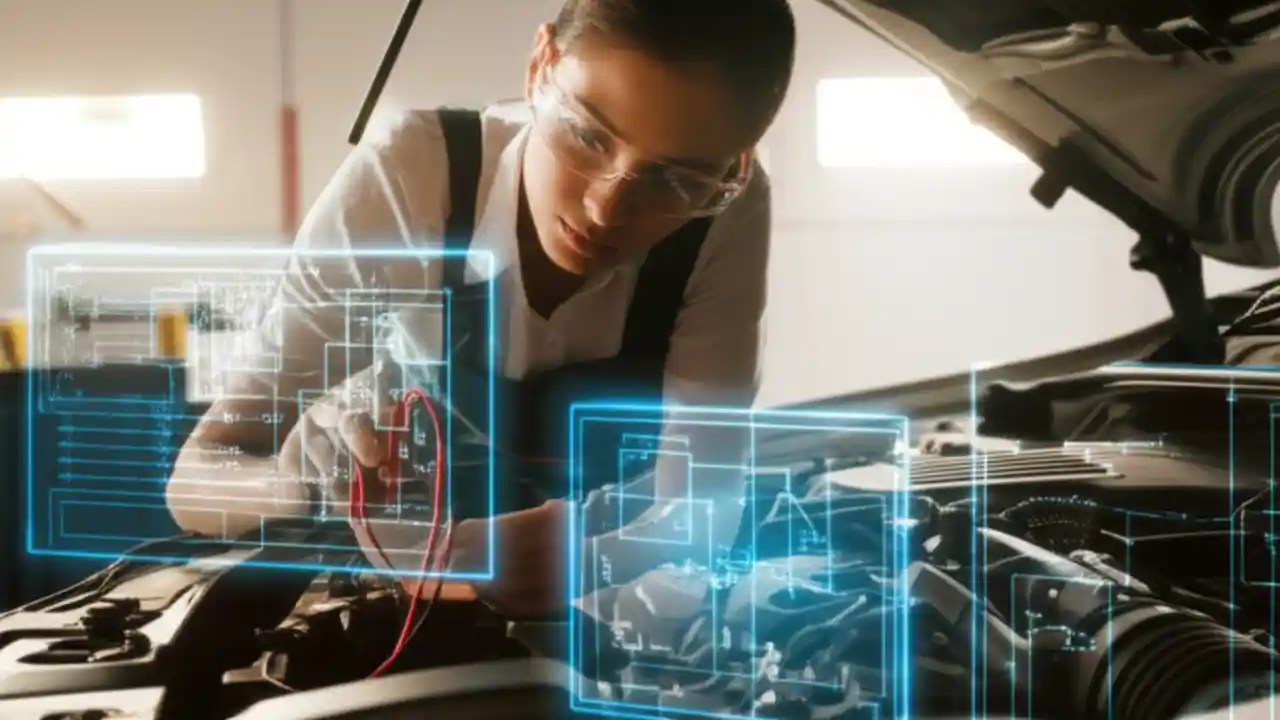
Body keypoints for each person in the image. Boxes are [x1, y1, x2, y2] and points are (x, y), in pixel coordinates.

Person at [165, 0, 797, 618]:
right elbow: (193, 480)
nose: (606, 208)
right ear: (540, 65)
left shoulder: (727, 215)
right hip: (394, 604)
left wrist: (599, 560)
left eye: (675, 181)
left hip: (599, 621)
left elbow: (705, 499)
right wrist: (292, 481)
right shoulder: (409, 178)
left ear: (735, 167)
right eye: (585, 134)